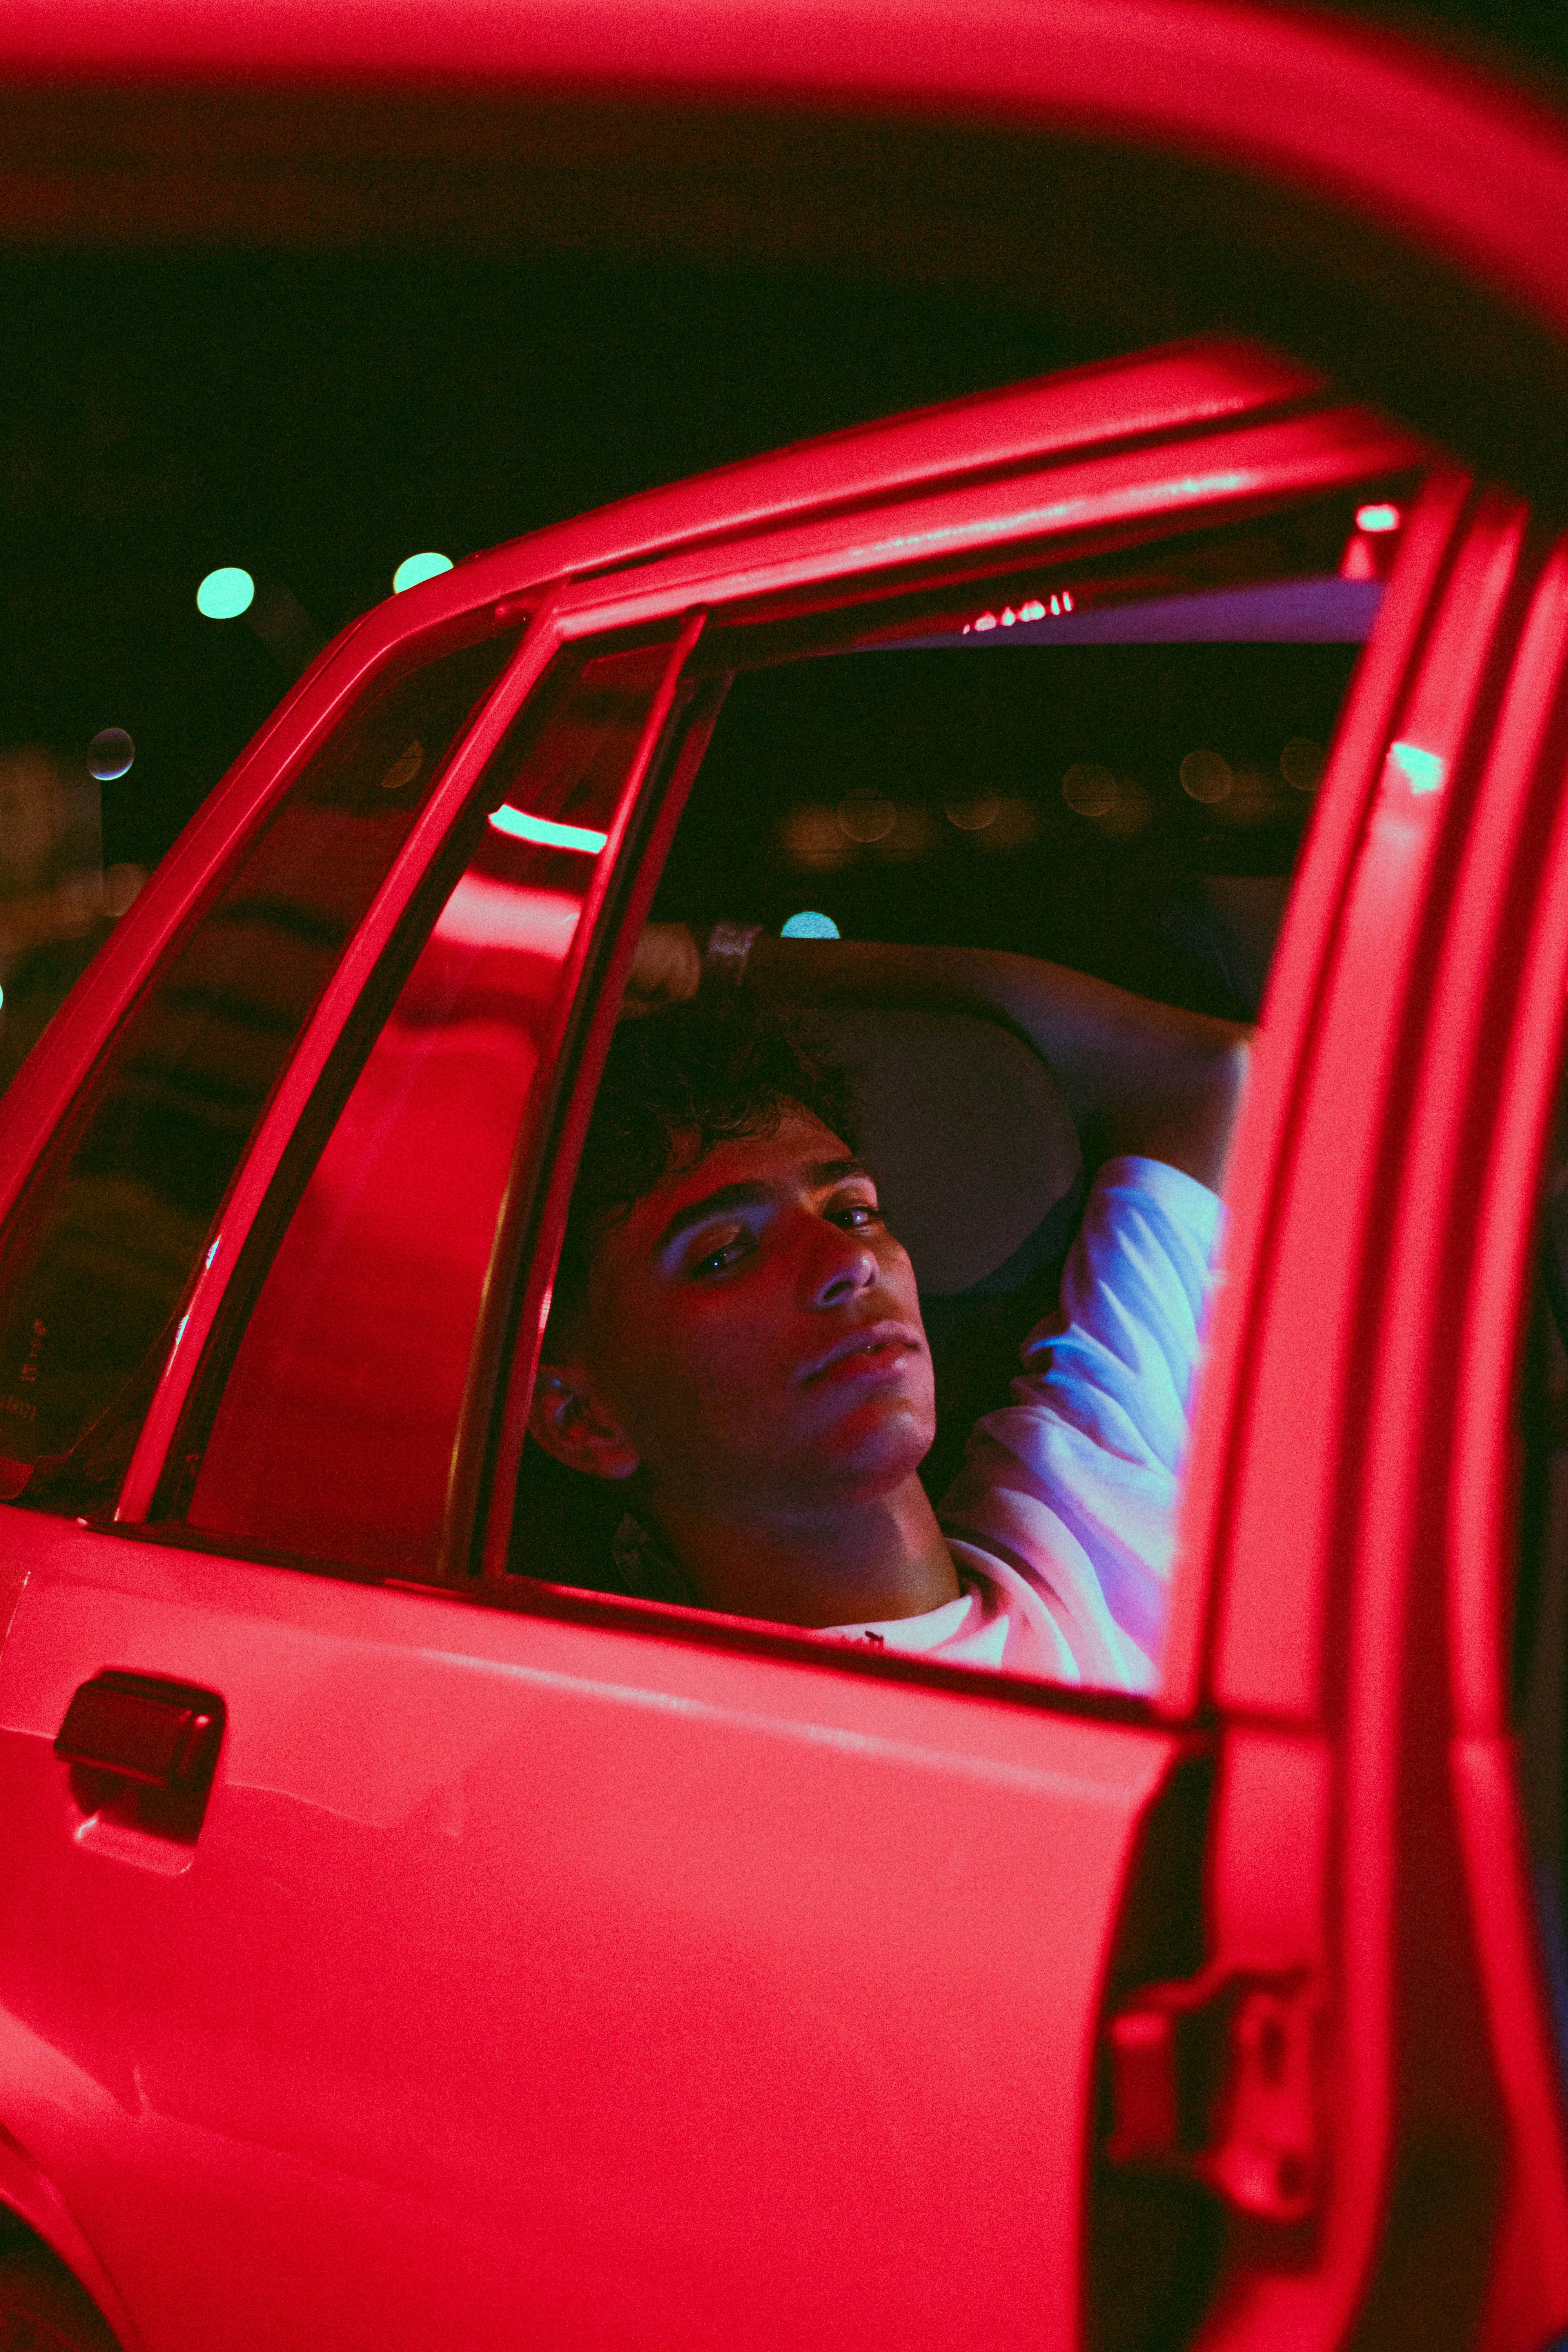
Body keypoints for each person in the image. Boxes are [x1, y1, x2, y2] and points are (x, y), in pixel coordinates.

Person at [527, 923, 1250, 1691]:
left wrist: (714, 962)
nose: (848, 1263)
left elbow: (1211, 1076)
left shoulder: (1076, 1514)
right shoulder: (682, 1754)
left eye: (852, 1212)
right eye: (723, 1255)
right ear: (586, 1420)